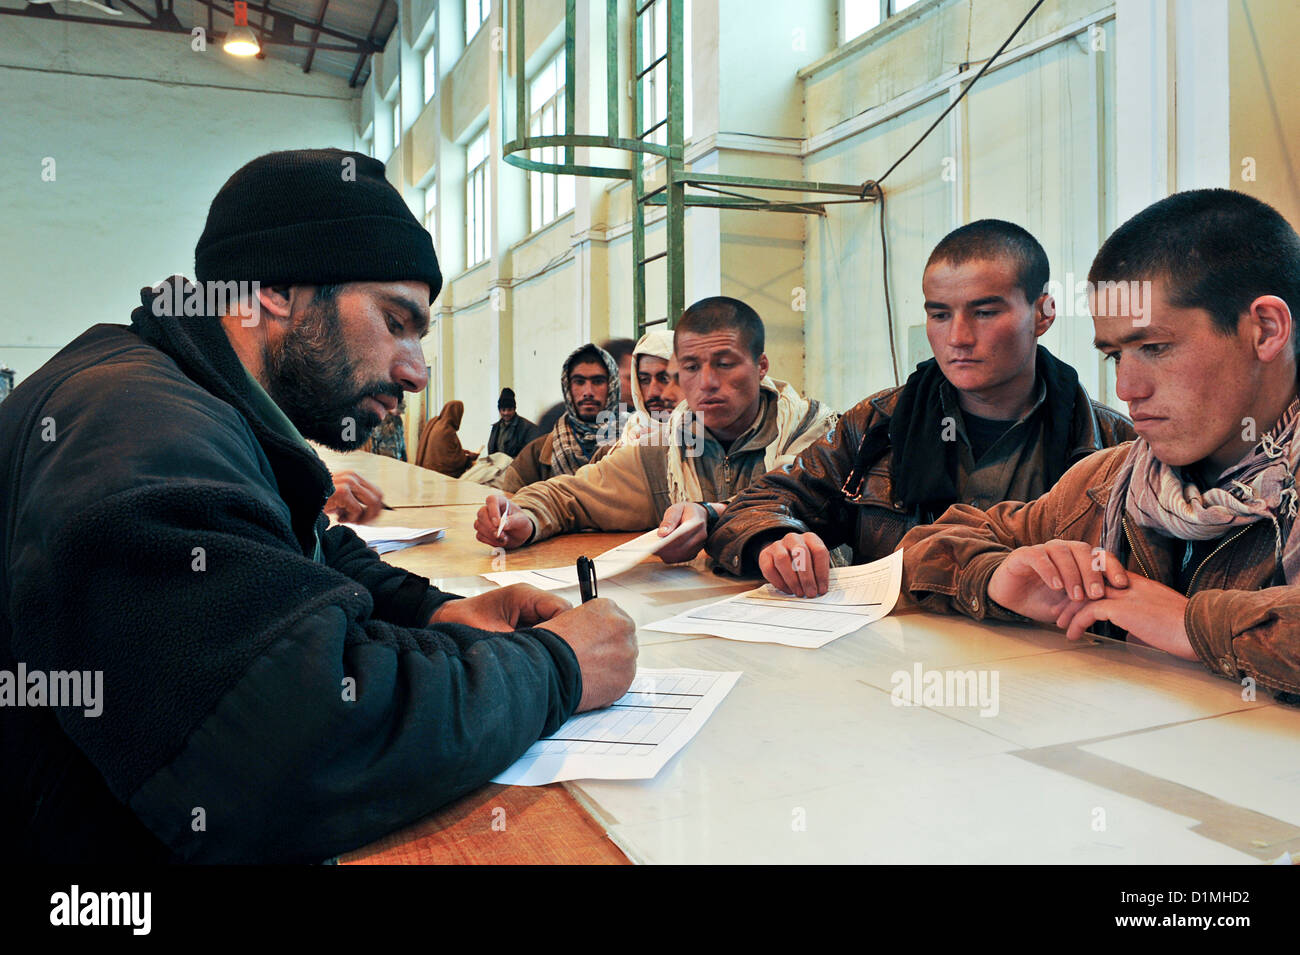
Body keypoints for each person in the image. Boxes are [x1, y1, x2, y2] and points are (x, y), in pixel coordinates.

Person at [0, 148, 636, 863]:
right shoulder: (138, 432)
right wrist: (556, 667)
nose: (417, 372)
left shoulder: (188, 397)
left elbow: (284, 542)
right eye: (397, 321)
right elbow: (297, 736)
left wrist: (430, 608)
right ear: (275, 289)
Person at [901, 189, 1300, 698]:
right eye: (1115, 356)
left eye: (1154, 347)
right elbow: (921, 550)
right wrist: (995, 575)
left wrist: (1189, 625)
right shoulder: (1105, 484)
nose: (1127, 390)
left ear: (1265, 329)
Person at [708, 219, 1135, 596]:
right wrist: (775, 539)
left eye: (984, 312)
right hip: (895, 655)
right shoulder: (878, 425)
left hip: (1056, 666)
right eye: (940, 315)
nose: (958, 338)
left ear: (1043, 313)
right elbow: (757, 504)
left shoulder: (1110, 446)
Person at [474, 297, 837, 563]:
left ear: (761, 366)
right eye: (691, 367)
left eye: (724, 364)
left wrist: (710, 516)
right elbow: (570, 496)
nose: (707, 382)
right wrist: (524, 517)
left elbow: (804, 503)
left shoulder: (820, 441)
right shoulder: (663, 455)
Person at [497, 343, 622, 493]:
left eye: (597, 381)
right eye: (579, 382)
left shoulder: (632, 446)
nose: (588, 392)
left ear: (612, 386)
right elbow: (509, 507)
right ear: (567, 387)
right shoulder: (535, 455)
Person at [600, 328, 685, 454]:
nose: (652, 392)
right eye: (644, 380)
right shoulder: (625, 440)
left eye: (664, 379)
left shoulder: (706, 437)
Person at [416, 399, 477, 477]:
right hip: (439, 476)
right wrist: (468, 459)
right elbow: (452, 461)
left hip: (426, 471)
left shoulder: (434, 422)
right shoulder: (447, 431)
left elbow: (444, 450)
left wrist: (463, 452)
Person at [486, 387, 540, 458]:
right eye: (503, 410)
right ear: (499, 410)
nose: (506, 413)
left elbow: (529, 454)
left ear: (514, 409)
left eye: (509, 410)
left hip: (517, 467)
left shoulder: (527, 427)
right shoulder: (496, 427)